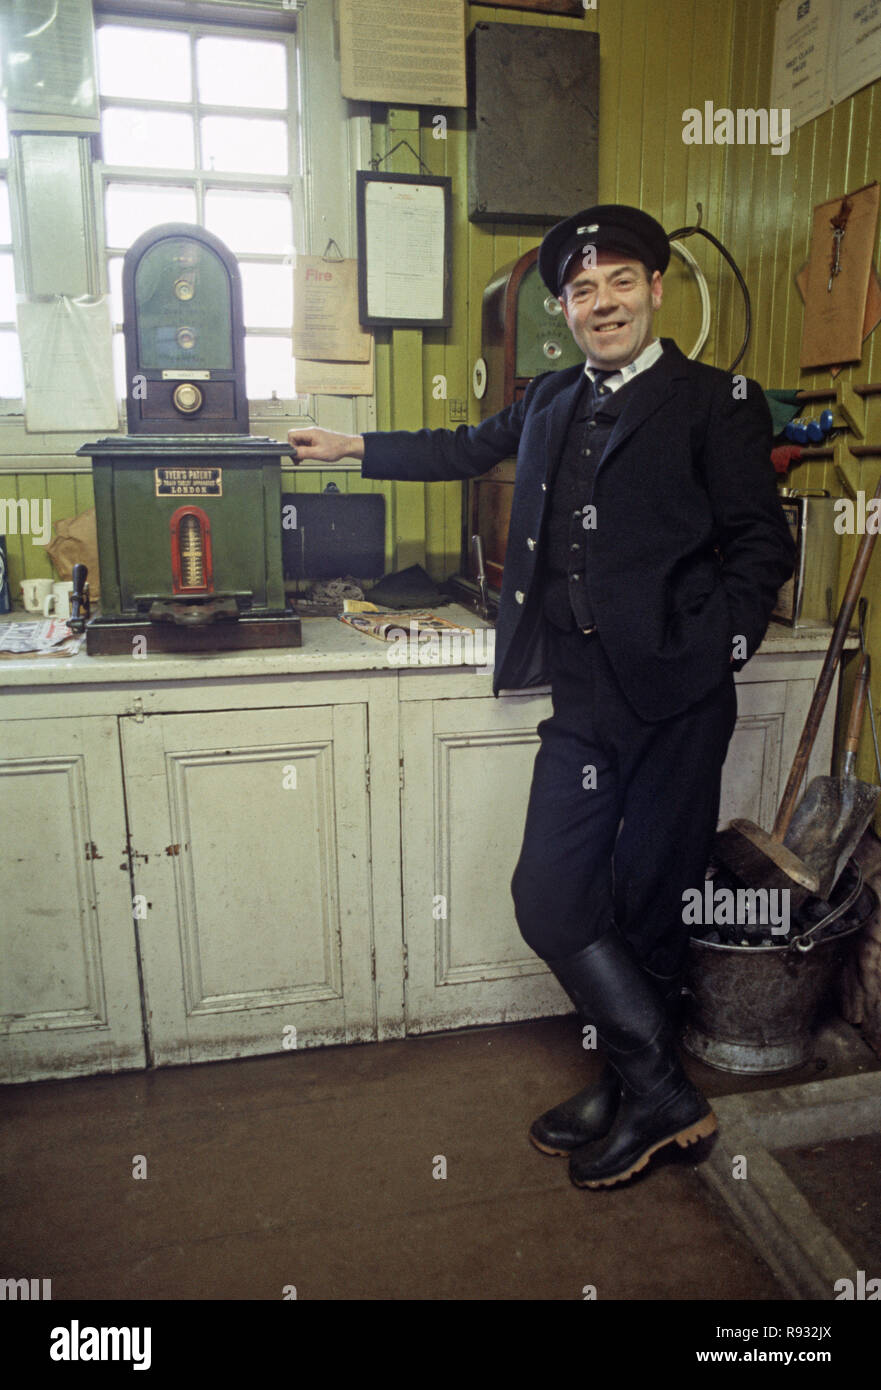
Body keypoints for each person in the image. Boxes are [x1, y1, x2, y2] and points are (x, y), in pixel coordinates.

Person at [287, 204, 796, 1190]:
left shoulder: (714, 399)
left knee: (648, 901)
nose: (600, 302)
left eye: (618, 282)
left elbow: (758, 543)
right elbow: (461, 447)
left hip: (675, 697)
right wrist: (352, 446)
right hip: (581, 693)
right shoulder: (554, 397)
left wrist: (715, 650)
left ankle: (625, 1091)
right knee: (552, 895)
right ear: (561, 308)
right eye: (580, 289)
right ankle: (660, 1088)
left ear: (653, 289)